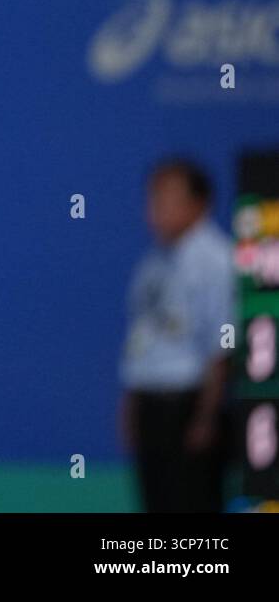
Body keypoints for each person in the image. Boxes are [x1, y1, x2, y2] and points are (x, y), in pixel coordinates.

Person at [119, 158, 235, 512]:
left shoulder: (218, 261)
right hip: (152, 407)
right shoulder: (154, 262)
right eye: (153, 199)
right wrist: (132, 405)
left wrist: (206, 417)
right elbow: (142, 341)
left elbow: (223, 345)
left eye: (168, 199)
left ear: (201, 203)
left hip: (189, 408)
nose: (155, 211)